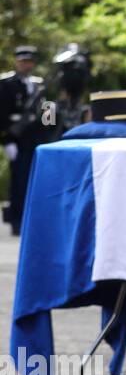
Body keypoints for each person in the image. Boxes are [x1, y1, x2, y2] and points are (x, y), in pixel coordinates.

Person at [0, 45, 48, 236]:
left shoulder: (40, 84)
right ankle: (16, 220)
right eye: (22, 61)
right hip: (16, 139)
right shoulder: (5, 83)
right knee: (18, 182)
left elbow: (48, 110)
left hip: (35, 139)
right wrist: (6, 140)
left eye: (29, 61)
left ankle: (33, 219)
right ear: (17, 62)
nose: (25, 65)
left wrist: (49, 128)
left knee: (35, 180)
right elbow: (1, 113)